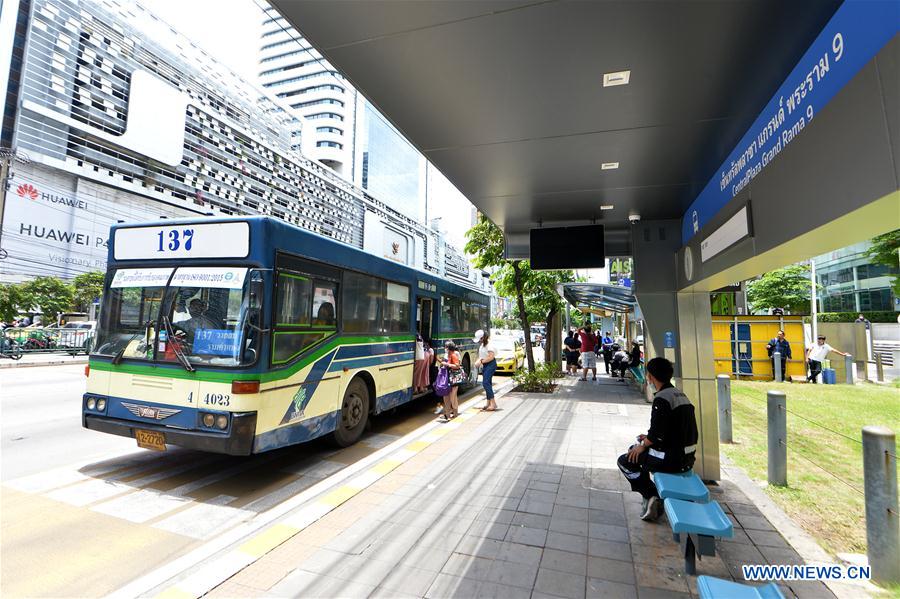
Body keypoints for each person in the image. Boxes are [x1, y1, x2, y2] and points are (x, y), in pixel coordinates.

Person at [617, 357, 698, 522]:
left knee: (626, 460)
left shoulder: (661, 399)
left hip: (671, 460)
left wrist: (644, 444)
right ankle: (651, 497)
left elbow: (658, 434)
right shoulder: (680, 395)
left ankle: (651, 495)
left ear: (651, 376)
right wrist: (648, 439)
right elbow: (670, 430)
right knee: (638, 448)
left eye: (648, 374)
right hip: (686, 457)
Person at [436, 341, 463, 421]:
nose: (445, 349)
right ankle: (447, 414)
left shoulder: (455, 354)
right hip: (446, 378)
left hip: (453, 378)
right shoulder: (446, 355)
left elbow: (457, 366)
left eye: (446, 347)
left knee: (452, 397)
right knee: (446, 397)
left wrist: (447, 364)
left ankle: (455, 413)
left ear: (449, 348)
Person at [473, 329, 498, 411]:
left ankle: (493, 403)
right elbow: (482, 356)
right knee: (488, 383)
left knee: (486, 383)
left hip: (490, 364)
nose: (479, 341)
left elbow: (491, 357)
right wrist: (479, 361)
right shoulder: (483, 345)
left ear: (483, 337)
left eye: (480, 339)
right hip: (486, 365)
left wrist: (481, 361)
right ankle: (488, 403)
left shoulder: (489, 345)